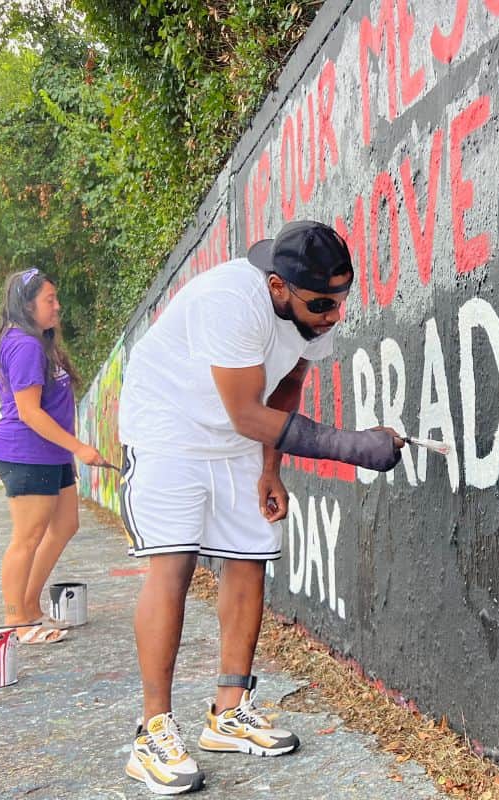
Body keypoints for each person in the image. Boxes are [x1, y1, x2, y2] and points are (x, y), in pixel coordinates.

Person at [117, 220, 404, 795]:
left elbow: (287, 388)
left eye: (341, 299)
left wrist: (270, 469)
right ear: (278, 287)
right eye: (323, 302)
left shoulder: (310, 312)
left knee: (249, 557)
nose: (334, 315)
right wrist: (351, 447)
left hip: (233, 438)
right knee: (172, 566)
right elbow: (248, 413)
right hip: (168, 429)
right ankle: (152, 732)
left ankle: (228, 713)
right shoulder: (231, 301)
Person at [0, 267, 105, 645]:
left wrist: (67, 451)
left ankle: (29, 605)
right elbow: (29, 411)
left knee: (65, 524)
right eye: (49, 300)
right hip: (25, 452)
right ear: (27, 305)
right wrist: (79, 448)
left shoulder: (39, 343)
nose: (57, 306)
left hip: (49, 454)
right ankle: (16, 623)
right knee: (27, 537)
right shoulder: (22, 345)